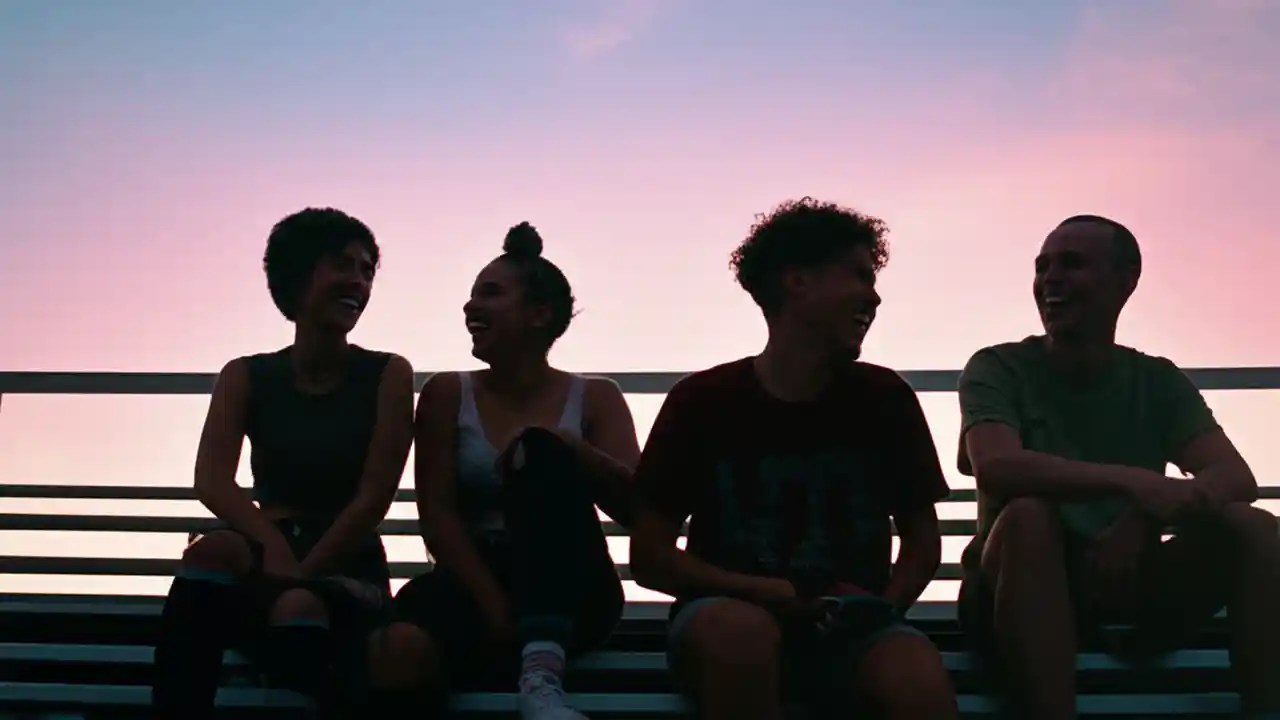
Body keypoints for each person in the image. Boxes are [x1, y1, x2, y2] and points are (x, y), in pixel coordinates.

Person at [629, 198, 959, 720]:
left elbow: (922, 541)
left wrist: (880, 611)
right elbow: (650, 555)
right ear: (797, 282)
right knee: (741, 635)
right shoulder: (702, 401)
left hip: (855, 626)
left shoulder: (885, 398)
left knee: (913, 675)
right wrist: (762, 592)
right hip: (724, 617)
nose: (874, 297)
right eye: (859, 275)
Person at [956, 214, 1280, 719]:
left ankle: (1267, 708)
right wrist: (1134, 483)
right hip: (1013, 591)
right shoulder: (998, 367)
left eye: (1072, 264)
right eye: (1042, 267)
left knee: (1255, 528)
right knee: (1027, 518)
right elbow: (997, 466)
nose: (1050, 280)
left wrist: (1145, 514)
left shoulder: (1156, 380)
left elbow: (1235, 478)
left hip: (1126, 586)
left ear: (1126, 281)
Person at [367, 222, 641, 719]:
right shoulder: (447, 393)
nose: (470, 307)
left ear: (539, 314)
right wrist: (494, 606)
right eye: (472, 295)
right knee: (398, 646)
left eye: (491, 293)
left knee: (539, 449)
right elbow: (439, 517)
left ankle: (541, 675)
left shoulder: (596, 396)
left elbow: (637, 507)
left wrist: (569, 450)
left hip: (574, 585)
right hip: (474, 579)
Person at [151, 208, 415, 719]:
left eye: (367, 271)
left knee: (299, 607)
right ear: (298, 274)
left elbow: (373, 498)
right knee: (211, 552)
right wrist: (273, 547)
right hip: (266, 547)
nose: (359, 281)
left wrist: (302, 574)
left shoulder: (387, 373)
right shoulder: (246, 375)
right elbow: (212, 480)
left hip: (346, 558)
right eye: (343, 264)